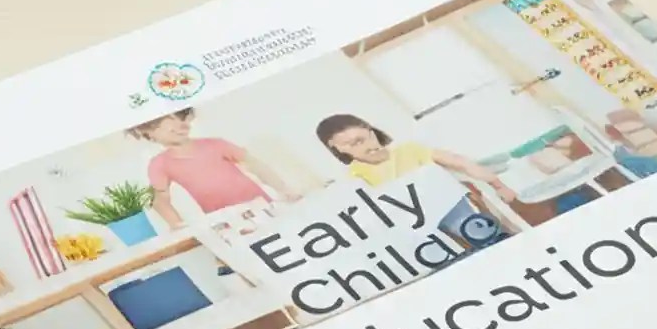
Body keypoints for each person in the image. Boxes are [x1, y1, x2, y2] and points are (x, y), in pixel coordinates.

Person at [131, 109, 301, 230]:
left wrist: (284, 189)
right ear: (149, 133)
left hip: (261, 205)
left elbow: (255, 165)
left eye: (179, 120)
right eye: (164, 125)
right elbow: (161, 200)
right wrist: (178, 225)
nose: (178, 126)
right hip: (226, 220)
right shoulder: (160, 164)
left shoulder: (215, 144)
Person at [315, 114, 517, 203]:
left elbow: (460, 162)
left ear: (371, 130)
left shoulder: (409, 150)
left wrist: (499, 186)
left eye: (363, 138)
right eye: (352, 145)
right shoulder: (354, 177)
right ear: (338, 148)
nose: (364, 146)